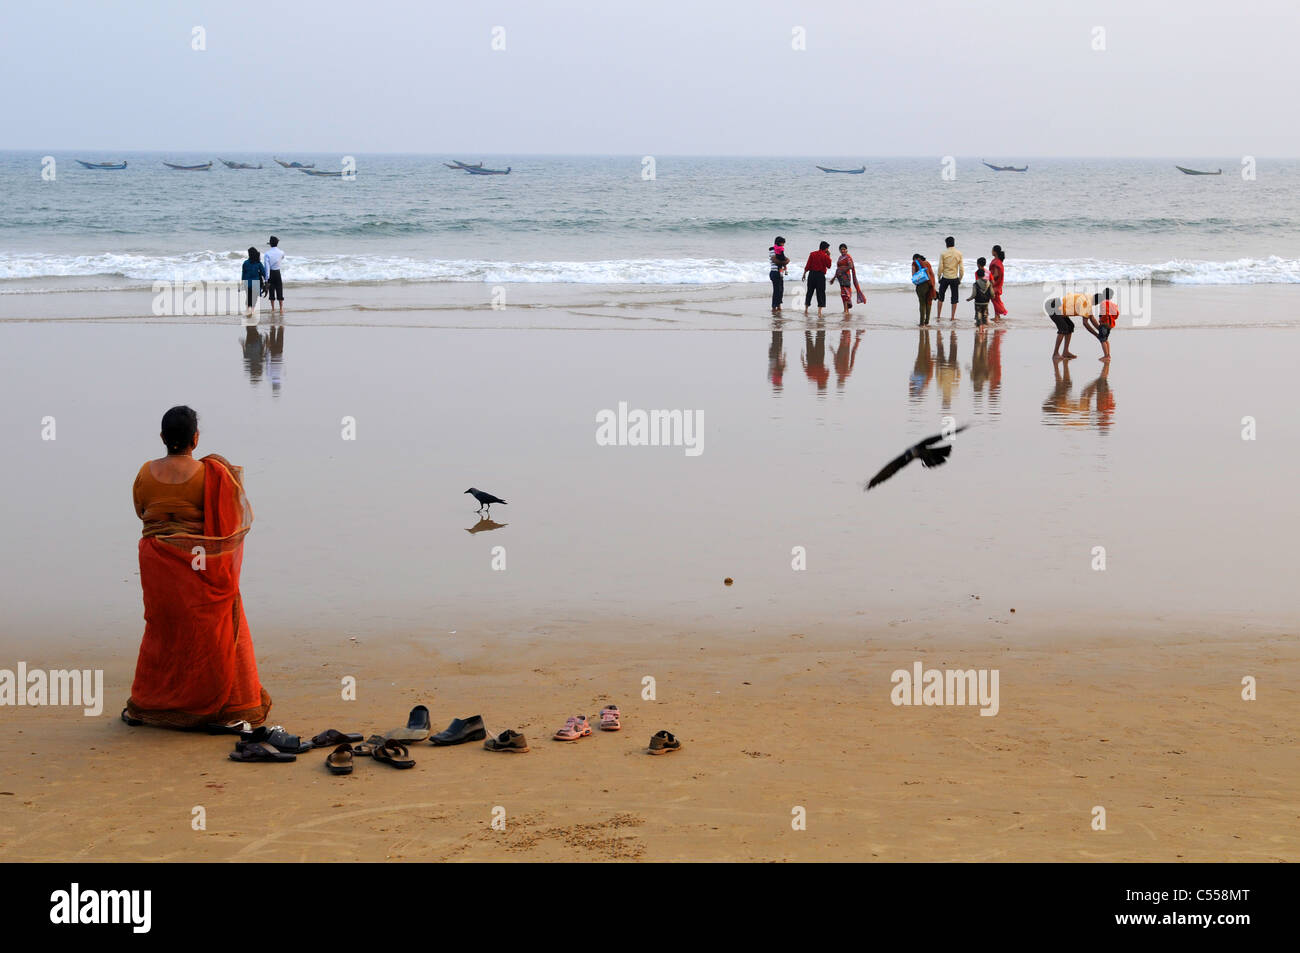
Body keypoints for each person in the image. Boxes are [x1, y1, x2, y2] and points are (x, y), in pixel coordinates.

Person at [125, 406, 271, 729]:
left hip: (157, 564)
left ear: (163, 438)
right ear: (196, 438)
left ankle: (155, 704)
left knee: (163, 628)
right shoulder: (210, 475)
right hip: (197, 561)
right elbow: (225, 522)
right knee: (218, 619)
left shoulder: (144, 473)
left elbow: (142, 512)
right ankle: (231, 706)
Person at [1045, 291, 1091, 360]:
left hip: (1058, 307)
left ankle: (1065, 352)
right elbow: (1085, 322)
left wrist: (1098, 330)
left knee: (1070, 326)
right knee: (1063, 328)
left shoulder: (1086, 301)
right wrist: (1097, 334)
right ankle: (1055, 354)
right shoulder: (1085, 302)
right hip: (1052, 305)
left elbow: (1091, 318)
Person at [1083, 287, 1119, 361]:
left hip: (1104, 324)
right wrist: (1112, 319)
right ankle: (1108, 354)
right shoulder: (1113, 304)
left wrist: (1102, 320)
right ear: (1111, 296)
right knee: (1106, 339)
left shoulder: (1103, 303)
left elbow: (1104, 313)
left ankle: (1106, 356)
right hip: (1110, 325)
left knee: (1102, 340)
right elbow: (1117, 314)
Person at [802, 241, 832, 317]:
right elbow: (829, 266)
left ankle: (806, 310)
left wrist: (804, 274)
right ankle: (819, 312)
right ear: (826, 248)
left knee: (809, 292)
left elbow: (808, 265)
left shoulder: (812, 254)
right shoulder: (825, 256)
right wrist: (829, 255)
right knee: (820, 293)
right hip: (820, 276)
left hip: (811, 275)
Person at [937, 236, 964, 322]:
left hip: (945, 277)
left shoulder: (943, 254)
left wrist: (939, 277)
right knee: (954, 298)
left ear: (946, 244)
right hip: (954, 278)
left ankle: (938, 316)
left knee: (941, 297)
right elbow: (961, 269)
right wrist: (960, 278)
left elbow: (940, 267)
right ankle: (952, 317)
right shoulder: (959, 253)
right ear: (954, 243)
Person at [832, 244, 864, 314]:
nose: (843, 250)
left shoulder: (848, 257)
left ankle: (846, 310)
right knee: (843, 294)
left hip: (846, 277)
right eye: (841, 249)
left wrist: (842, 272)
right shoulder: (840, 257)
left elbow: (850, 266)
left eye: (844, 249)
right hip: (840, 278)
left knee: (845, 293)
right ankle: (845, 310)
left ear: (847, 250)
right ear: (839, 250)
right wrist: (834, 278)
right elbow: (838, 269)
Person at [910, 253, 936, 325]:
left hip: (922, 285)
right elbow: (932, 274)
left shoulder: (914, 263)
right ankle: (927, 321)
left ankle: (921, 323)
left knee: (922, 303)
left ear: (915, 258)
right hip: (930, 284)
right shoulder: (927, 263)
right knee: (928, 302)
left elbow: (913, 275)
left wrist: (916, 283)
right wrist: (932, 285)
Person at [966, 259, 993, 326]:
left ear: (978, 264)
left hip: (978, 299)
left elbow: (975, 290)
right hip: (986, 297)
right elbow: (992, 283)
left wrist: (970, 298)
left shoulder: (976, 275)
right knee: (985, 313)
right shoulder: (988, 273)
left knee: (979, 314)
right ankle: (986, 328)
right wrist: (991, 295)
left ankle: (980, 328)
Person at [240, 246, 265, 319]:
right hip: (255, 283)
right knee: (254, 299)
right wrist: (266, 280)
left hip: (247, 283)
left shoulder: (245, 263)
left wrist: (242, 282)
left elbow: (243, 273)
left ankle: (248, 310)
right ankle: (252, 311)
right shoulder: (258, 263)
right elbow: (263, 272)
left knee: (248, 297)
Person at [263, 236, 285, 315]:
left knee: (271, 290)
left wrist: (266, 278)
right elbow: (282, 258)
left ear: (270, 244)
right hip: (278, 272)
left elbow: (267, 267)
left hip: (271, 273)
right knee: (279, 289)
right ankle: (281, 309)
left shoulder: (267, 254)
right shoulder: (281, 252)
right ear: (277, 243)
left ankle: (273, 309)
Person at [769, 236, 789, 312]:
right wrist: (786, 261)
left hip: (779, 273)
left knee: (781, 290)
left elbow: (784, 258)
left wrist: (786, 261)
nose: (783, 245)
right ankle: (774, 307)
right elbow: (777, 261)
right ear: (779, 243)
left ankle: (779, 305)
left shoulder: (779, 250)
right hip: (775, 272)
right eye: (782, 243)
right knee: (777, 290)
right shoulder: (773, 250)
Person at [988, 245, 1008, 320]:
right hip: (996, 283)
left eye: (992, 250)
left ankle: (1000, 314)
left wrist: (988, 278)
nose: (991, 251)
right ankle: (997, 316)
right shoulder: (997, 260)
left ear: (995, 252)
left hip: (995, 283)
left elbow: (996, 274)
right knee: (995, 299)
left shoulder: (996, 262)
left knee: (995, 300)